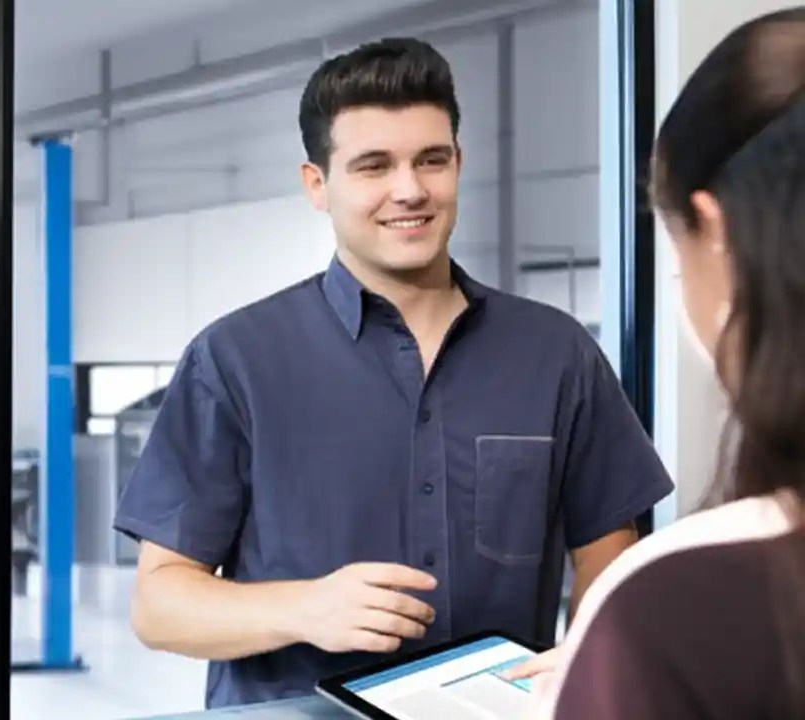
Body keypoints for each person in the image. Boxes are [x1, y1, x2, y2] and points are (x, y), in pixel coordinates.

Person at [113, 37, 674, 710]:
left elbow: (607, 554)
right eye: (374, 166)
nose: (409, 190)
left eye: (431, 160)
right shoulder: (234, 359)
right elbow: (159, 602)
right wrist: (304, 609)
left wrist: (584, 671)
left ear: (458, 164)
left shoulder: (557, 354)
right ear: (317, 184)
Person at [517, 8, 805, 719]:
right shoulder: (233, 358)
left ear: (718, 232)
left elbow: (609, 541)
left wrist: (610, 674)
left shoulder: (681, 605)